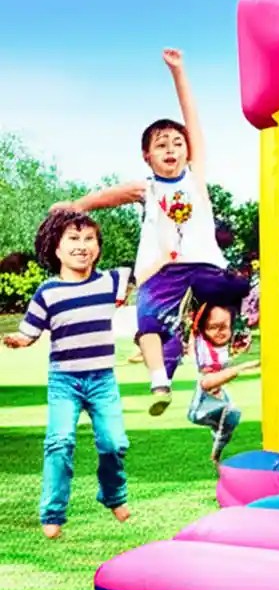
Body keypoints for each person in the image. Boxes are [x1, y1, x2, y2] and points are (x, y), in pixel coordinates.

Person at [51, 48, 248, 416]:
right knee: (150, 324)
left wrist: (178, 72)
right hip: (163, 272)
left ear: (188, 151)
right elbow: (108, 196)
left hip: (205, 266)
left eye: (177, 143)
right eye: (161, 145)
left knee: (233, 297)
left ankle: (221, 354)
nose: (171, 149)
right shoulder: (147, 188)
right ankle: (161, 381)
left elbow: (192, 119)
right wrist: (74, 207)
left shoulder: (196, 175)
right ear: (147, 156)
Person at [3, 211, 132, 539]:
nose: (82, 246)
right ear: (56, 249)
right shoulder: (47, 292)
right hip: (66, 381)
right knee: (60, 442)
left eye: (89, 239)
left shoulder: (112, 281)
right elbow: (29, 333)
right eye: (73, 239)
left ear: (98, 248)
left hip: (102, 379)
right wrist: (19, 340)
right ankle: (53, 513)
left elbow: (149, 265)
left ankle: (113, 495)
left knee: (114, 442)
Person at [187, 303, 258, 463]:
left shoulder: (220, 348)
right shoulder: (204, 349)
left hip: (215, 399)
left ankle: (216, 455)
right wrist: (243, 367)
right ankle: (216, 452)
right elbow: (207, 382)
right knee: (230, 415)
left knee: (231, 418)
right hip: (200, 409)